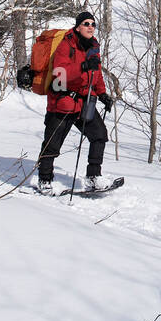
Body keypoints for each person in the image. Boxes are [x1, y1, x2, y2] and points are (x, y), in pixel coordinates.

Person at [36, 11, 114, 194]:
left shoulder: (93, 46)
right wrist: (82, 67)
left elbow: (97, 73)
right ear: (78, 26)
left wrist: (103, 95)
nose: (90, 27)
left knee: (99, 135)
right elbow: (59, 73)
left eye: (93, 24)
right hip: (62, 102)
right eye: (86, 23)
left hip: (84, 102)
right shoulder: (66, 45)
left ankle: (93, 177)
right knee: (53, 144)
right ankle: (44, 180)